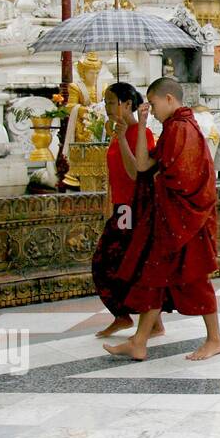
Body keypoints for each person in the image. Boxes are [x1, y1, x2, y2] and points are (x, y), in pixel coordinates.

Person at [106, 78, 220, 362]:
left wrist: (161, 180)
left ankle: (215, 339)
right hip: (171, 219)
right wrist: (143, 124)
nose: (151, 109)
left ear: (169, 99)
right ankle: (139, 341)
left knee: (195, 279)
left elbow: (184, 176)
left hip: (188, 219)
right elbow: (144, 166)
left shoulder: (184, 129)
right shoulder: (171, 128)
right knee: (155, 277)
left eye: (153, 104)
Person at [93, 82, 163, 339]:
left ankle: (145, 320)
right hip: (121, 208)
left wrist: (123, 138)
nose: (107, 107)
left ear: (126, 104)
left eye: (112, 102)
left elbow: (136, 172)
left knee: (121, 264)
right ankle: (123, 316)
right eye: (107, 102)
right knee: (109, 263)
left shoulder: (142, 134)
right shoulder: (116, 133)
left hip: (136, 210)